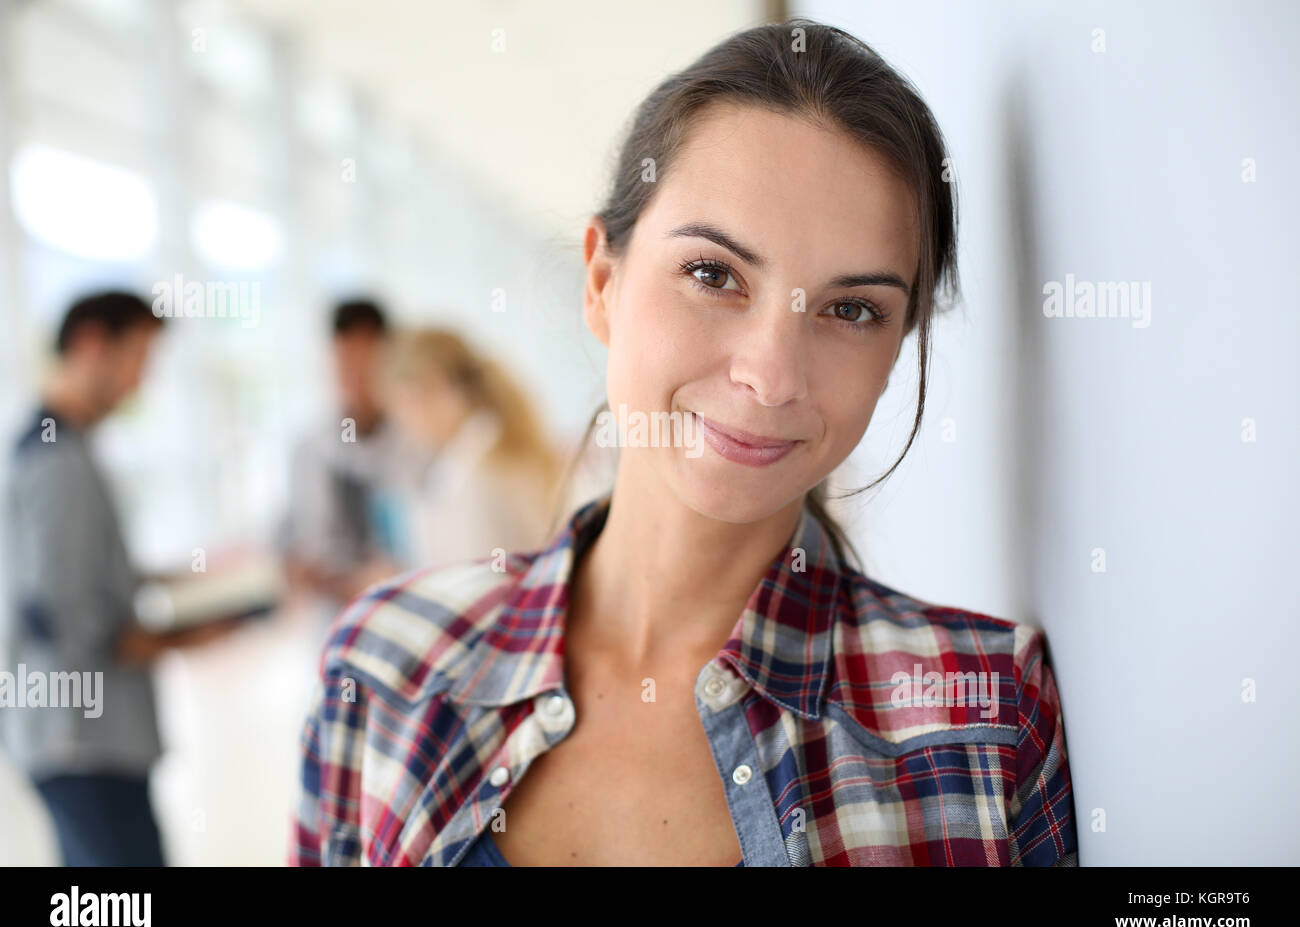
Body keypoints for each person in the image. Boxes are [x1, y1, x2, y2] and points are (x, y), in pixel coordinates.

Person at [290, 19, 1078, 867]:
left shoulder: (985, 719)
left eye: (852, 310)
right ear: (603, 283)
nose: (773, 376)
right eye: (714, 274)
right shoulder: (383, 672)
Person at [2, 291, 239, 866]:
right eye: (138, 359)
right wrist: (186, 637)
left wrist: (195, 583)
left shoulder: (63, 449)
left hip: (80, 741)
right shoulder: (58, 461)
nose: (141, 383)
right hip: (80, 741)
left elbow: (90, 581)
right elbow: (72, 617)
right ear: (89, 344)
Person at [380, 328, 564, 570]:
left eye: (399, 405)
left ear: (433, 384)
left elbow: (476, 588)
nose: (400, 423)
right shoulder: (497, 447)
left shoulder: (471, 476)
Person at [281, 298, 424, 605]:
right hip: (336, 621)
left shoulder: (419, 441)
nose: (356, 375)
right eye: (345, 360)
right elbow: (294, 549)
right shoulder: (307, 449)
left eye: (367, 361)